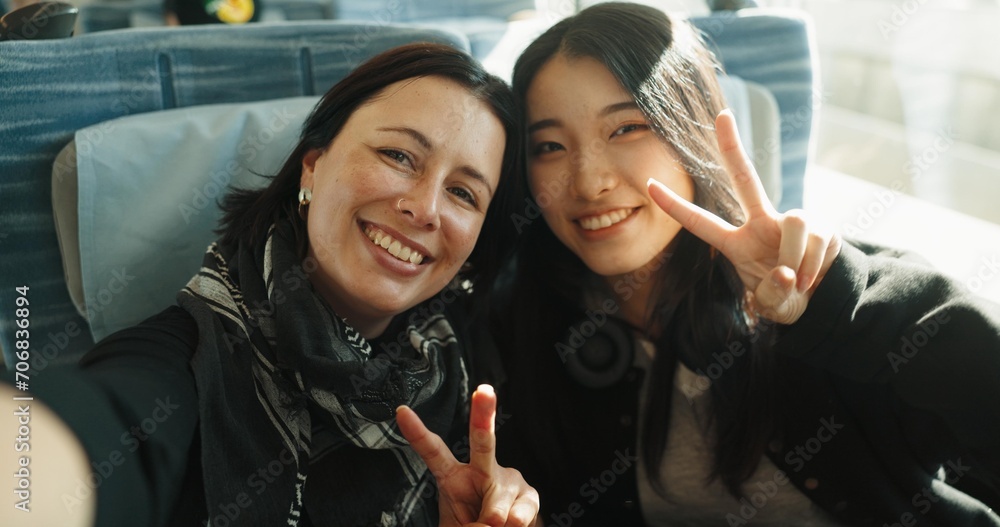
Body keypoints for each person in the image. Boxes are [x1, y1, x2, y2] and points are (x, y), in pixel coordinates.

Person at [491, 3, 1000, 526]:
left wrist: (844, 306)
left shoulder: (813, 293)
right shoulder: (522, 330)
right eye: (549, 146)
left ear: (693, 132)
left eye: (627, 128)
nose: (587, 182)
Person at [0, 43, 538, 527]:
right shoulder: (183, 365)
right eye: (398, 156)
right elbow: (70, 450)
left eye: (464, 193)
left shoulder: (473, 361)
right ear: (312, 165)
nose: (424, 208)